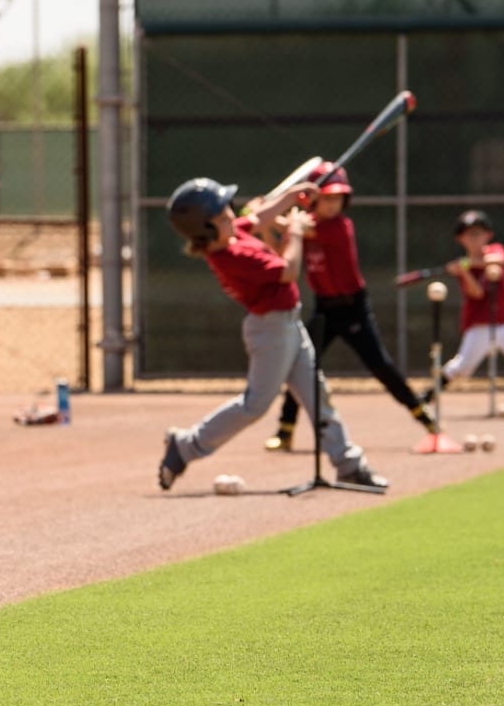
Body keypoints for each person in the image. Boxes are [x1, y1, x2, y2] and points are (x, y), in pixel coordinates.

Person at [156, 177, 386, 492]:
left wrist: (290, 197)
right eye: (222, 217)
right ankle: (186, 445)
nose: (231, 219)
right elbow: (289, 270)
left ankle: (349, 465)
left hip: (288, 323)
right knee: (255, 405)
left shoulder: (229, 237)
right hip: (270, 330)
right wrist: (294, 232)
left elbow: (259, 218)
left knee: (317, 394)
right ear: (205, 229)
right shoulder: (232, 256)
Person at [257, 163, 439, 450]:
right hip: (324, 309)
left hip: (353, 307)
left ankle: (424, 418)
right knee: (300, 365)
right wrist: (266, 224)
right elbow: (281, 253)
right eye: (327, 198)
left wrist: (265, 213)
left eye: (338, 198)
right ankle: (285, 429)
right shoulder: (303, 227)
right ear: (313, 199)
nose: (333, 204)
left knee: (379, 364)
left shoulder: (340, 227)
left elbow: (295, 229)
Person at [434, 210, 504, 416]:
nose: (474, 238)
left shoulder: (495, 251)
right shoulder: (464, 268)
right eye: (469, 234)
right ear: (460, 239)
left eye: (478, 233)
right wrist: (464, 271)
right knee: (462, 367)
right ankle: (427, 397)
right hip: (478, 324)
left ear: (488, 235)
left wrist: (464, 264)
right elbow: (476, 293)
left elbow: (498, 261)